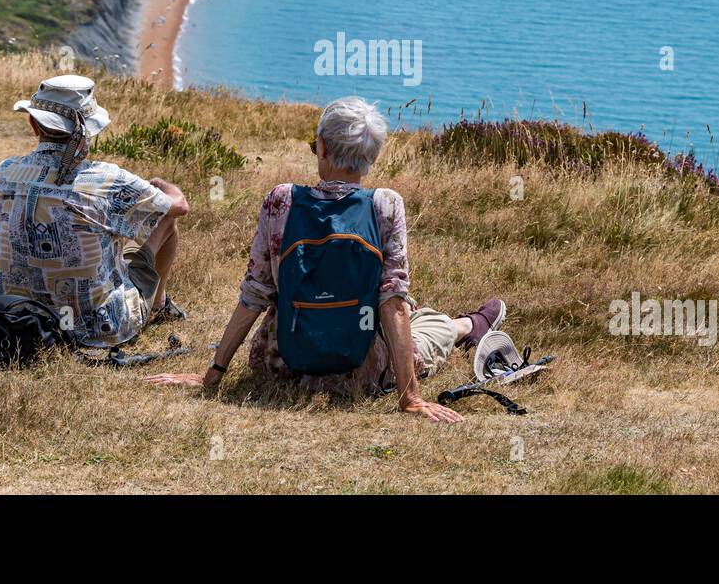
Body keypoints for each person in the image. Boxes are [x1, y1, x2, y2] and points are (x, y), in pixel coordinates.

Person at [150, 96, 505, 424]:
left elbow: (254, 292)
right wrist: (409, 396)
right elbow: (391, 301)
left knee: (408, 313)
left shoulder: (281, 200)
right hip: (361, 368)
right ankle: (465, 326)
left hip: (280, 362)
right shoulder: (385, 205)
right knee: (419, 323)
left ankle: (454, 323)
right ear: (372, 158)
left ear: (321, 146)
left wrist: (212, 374)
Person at [0, 75, 190, 348]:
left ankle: (156, 300)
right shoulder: (108, 179)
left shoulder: (6, 171)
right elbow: (179, 207)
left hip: (16, 315)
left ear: (33, 123)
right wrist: (164, 186)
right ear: (89, 130)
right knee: (166, 220)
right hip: (98, 327)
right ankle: (158, 303)